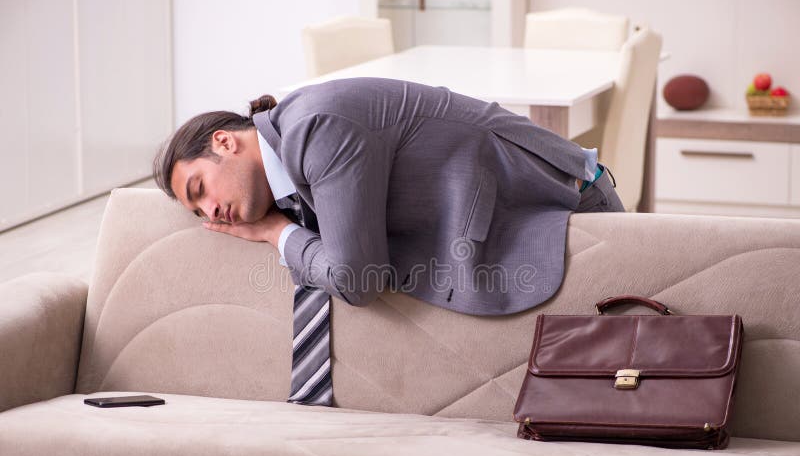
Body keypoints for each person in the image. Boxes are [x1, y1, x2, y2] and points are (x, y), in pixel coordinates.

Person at [153, 77, 625, 317]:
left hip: (569, 206)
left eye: (200, 190)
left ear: (223, 141)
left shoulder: (315, 129)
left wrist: (277, 233)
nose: (212, 212)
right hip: (523, 217)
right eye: (198, 212)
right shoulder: (288, 160)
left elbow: (358, 280)